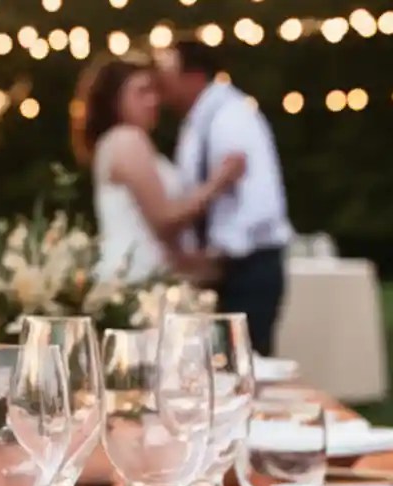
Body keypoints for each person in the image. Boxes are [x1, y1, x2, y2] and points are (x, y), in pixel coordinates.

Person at [156, 41, 293, 356]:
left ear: (194, 76)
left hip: (248, 266)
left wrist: (217, 255)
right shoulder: (198, 121)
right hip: (224, 268)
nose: (160, 81)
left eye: (168, 71)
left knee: (244, 363)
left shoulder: (232, 116)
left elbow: (259, 202)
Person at [71, 54, 246, 284]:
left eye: (154, 91)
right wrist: (219, 182)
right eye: (141, 92)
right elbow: (164, 218)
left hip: (150, 275)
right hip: (136, 276)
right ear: (114, 99)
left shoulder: (120, 142)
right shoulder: (127, 140)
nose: (153, 100)